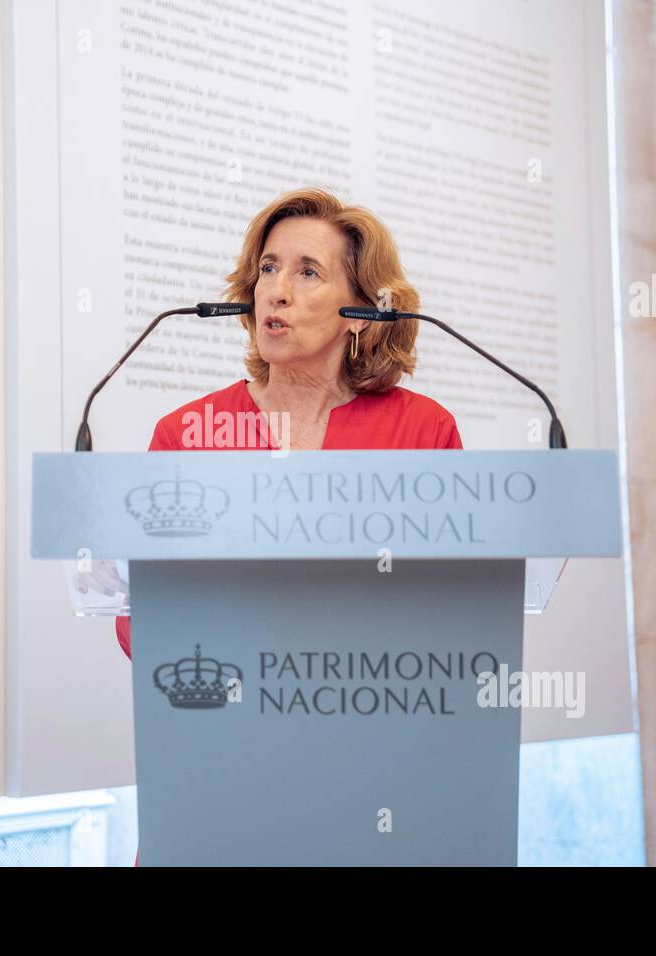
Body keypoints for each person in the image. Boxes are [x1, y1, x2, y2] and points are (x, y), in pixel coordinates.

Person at [99, 186, 463, 866]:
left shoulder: (421, 431)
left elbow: (452, 609)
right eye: (268, 268)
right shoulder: (186, 434)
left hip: (371, 769)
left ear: (361, 311)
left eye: (307, 272)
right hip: (218, 760)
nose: (277, 291)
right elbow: (137, 617)